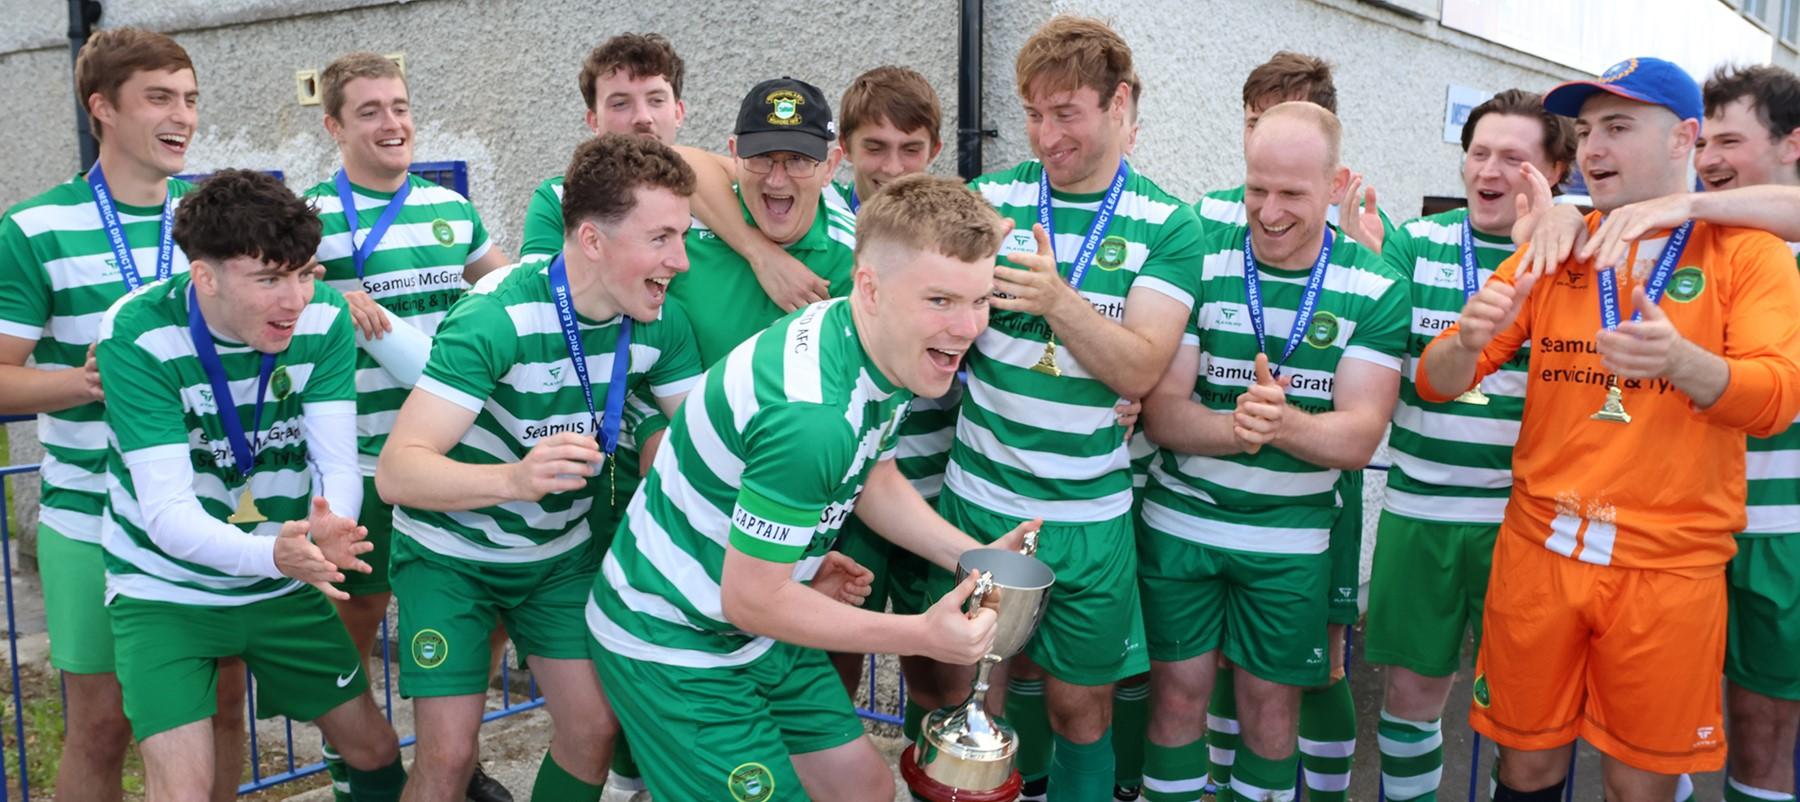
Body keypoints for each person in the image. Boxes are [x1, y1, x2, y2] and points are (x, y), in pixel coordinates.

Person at [1418, 57, 1800, 802]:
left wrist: (1684, 363)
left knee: (1638, 784)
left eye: (1618, 128)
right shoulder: (1559, 242)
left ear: (1683, 138)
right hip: (1540, 551)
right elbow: (1437, 380)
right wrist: (1467, 341)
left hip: (1668, 569)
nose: (1593, 148)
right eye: (1587, 130)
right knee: (1524, 769)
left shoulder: (1747, 251)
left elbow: (1776, 400)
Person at [588, 172, 1031, 802]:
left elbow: (874, 476)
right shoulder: (812, 417)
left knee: (864, 790)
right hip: (676, 638)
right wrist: (920, 633)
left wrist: (971, 557)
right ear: (870, 288)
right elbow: (752, 599)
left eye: (980, 299)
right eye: (941, 300)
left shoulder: (873, 340)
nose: (967, 327)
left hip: (753, 624)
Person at [376, 133, 703, 802]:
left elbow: (707, 448)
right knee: (448, 756)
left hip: (556, 556)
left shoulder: (661, 322)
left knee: (594, 730)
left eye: (683, 235)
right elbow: (398, 473)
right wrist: (513, 480)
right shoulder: (495, 316)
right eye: (662, 238)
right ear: (592, 241)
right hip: (450, 555)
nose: (682, 260)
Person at [940, 15, 1205, 801]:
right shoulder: (990, 200)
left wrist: (1059, 301)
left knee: (1080, 709)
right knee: (971, 695)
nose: (1046, 135)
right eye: (1033, 113)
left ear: (1118, 103)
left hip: (1089, 517)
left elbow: (1144, 365)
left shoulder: (1169, 224)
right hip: (980, 500)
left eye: (1065, 113)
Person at [95, 168, 405, 801]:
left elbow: (337, 465)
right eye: (268, 280)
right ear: (204, 277)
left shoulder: (323, 317)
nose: (294, 300)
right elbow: (167, 514)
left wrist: (332, 524)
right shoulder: (138, 331)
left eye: (303, 274)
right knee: (183, 789)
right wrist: (279, 555)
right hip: (165, 589)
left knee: (374, 749)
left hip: (279, 579)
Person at [0, 27, 249, 802]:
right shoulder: (35, 228)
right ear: (102, 107)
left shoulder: (219, 218)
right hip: (93, 516)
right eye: (159, 98)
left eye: (191, 99)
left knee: (220, 708)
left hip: (211, 511)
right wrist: (84, 383)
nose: (183, 116)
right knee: (103, 727)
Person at [1137, 101, 1406, 802]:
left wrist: (1280, 424)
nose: (1269, 211)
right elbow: (1164, 413)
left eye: (1292, 193)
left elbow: (1359, 437)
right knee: (1175, 702)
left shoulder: (1376, 285)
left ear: (1335, 184)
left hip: (1291, 540)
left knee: (1270, 717)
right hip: (1181, 523)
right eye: (1257, 188)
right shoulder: (1201, 252)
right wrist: (1242, 428)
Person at [302, 50, 509, 802]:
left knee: (481, 612)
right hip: (362, 461)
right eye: (369, 111)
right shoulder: (309, 218)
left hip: (453, 455)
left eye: (399, 107)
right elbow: (275, 305)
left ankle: (458, 761)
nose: (392, 123)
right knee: (356, 618)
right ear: (334, 127)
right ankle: (351, 761)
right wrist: (325, 297)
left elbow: (505, 290)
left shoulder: (451, 208)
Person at [1363, 88, 1573, 802]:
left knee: (1523, 719)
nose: (1489, 170)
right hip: (1421, 509)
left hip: (1527, 521)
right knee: (1409, 702)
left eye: (1513, 158)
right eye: (1479, 153)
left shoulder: (1575, 259)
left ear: (1554, 173)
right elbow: (1381, 363)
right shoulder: (1412, 244)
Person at [669, 76, 856, 366]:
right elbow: (671, 157)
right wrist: (761, 254)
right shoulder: (682, 235)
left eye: (797, 159)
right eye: (761, 157)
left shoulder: (857, 257)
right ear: (734, 154)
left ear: (829, 167)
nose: (777, 180)